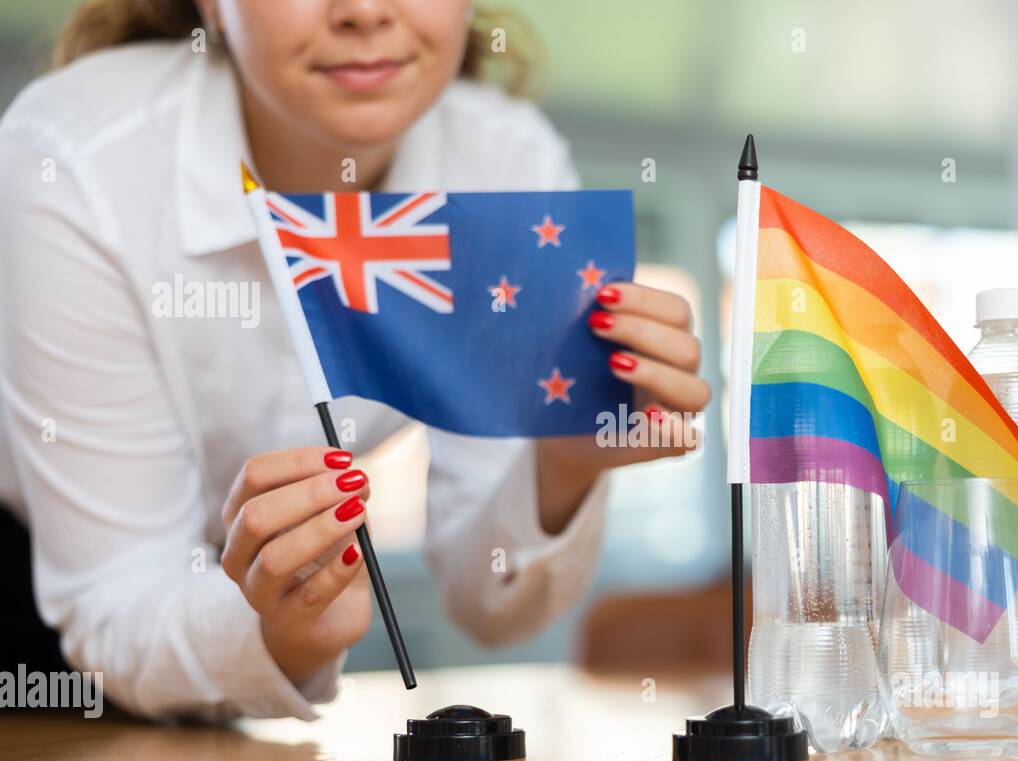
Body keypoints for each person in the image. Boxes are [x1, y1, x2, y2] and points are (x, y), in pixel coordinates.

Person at [0, 0, 709, 721]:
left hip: (227, 614)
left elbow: (489, 605)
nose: (366, 11)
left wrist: (563, 463)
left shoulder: (507, 161)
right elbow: (116, 590)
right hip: (47, 601)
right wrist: (280, 640)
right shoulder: (75, 158)